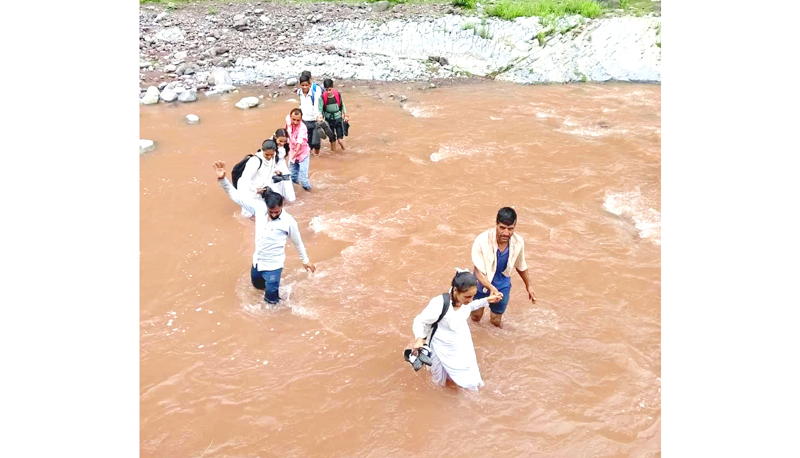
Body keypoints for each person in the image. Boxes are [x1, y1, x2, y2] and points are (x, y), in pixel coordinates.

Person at [212, 160, 316, 305]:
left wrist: (305, 261)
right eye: (271, 211)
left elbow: (298, 243)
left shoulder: (289, 222)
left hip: (274, 267)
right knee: (256, 287)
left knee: (271, 302)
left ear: (282, 206)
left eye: (276, 212)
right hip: (257, 263)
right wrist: (223, 180)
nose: (273, 214)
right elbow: (236, 197)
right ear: (266, 206)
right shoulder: (259, 208)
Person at [410, 269, 502, 390]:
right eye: (468, 296)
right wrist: (419, 338)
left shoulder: (464, 301)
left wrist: (487, 300)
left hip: (460, 342)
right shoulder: (439, 304)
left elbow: (470, 306)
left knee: (468, 373)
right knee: (439, 381)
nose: (470, 300)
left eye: (473, 296)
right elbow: (420, 320)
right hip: (440, 346)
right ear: (455, 291)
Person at [470, 207, 537, 328]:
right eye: (502, 228)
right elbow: (479, 272)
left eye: (510, 229)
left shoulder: (518, 242)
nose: (506, 233)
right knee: (476, 317)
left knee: (496, 321)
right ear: (496, 224)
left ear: (515, 226)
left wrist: (529, 285)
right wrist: (491, 289)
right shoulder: (481, 241)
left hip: (502, 285)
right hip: (480, 285)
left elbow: (520, 265)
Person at [237, 139, 292, 219]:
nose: (269, 157)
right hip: (248, 190)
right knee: (248, 215)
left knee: (262, 212)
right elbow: (245, 178)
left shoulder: (273, 156)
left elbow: (268, 169)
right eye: (266, 155)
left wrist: (275, 171)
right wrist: (255, 190)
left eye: (271, 155)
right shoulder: (255, 161)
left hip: (262, 189)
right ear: (262, 151)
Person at [296, 72, 324, 157]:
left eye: (306, 85)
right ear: (300, 85)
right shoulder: (299, 93)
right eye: (303, 85)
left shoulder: (314, 94)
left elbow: (316, 106)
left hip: (314, 120)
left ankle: (317, 155)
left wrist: (318, 117)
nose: (304, 87)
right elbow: (301, 105)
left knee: (316, 142)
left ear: (309, 84)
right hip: (304, 120)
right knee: (307, 142)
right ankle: (309, 156)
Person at [285, 108, 312, 191]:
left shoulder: (303, 128)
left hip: (302, 153)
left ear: (301, 119)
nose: (296, 122)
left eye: (298, 120)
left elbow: (300, 141)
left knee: (303, 179)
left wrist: (296, 150)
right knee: (292, 177)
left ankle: (310, 192)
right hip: (292, 152)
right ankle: (297, 192)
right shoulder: (288, 120)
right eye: (294, 119)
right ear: (290, 117)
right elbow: (285, 128)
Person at [267, 128, 296, 203]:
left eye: (284, 141)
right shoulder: (269, 146)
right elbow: (267, 161)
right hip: (271, 166)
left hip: (282, 165)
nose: (283, 143)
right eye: (280, 141)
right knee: (275, 186)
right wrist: (274, 170)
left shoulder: (287, 142)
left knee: (287, 184)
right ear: (275, 137)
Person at [321, 78, 350, 152]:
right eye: (326, 90)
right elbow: (320, 108)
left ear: (333, 88)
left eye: (330, 89)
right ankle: (333, 153)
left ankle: (345, 150)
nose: (328, 92)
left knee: (340, 140)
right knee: (332, 139)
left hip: (338, 119)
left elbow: (343, 105)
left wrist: (345, 115)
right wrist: (320, 116)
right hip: (328, 119)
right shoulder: (323, 97)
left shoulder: (337, 95)